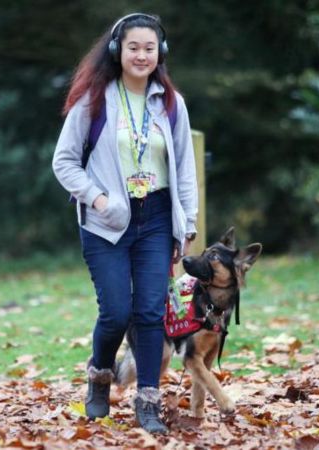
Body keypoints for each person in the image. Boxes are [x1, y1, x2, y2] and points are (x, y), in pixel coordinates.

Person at [52, 12, 198, 434]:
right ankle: (100, 376)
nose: (141, 55)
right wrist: (97, 198)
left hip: (155, 217)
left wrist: (186, 224)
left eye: (149, 48)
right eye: (133, 47)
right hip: (105, 222)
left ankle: (147, 401)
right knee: (116, 313)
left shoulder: (171, 104)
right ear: (117, 50)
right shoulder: (94, 100)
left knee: (150, 312)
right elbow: (63, 162)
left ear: (160, 53)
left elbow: (184, 169)